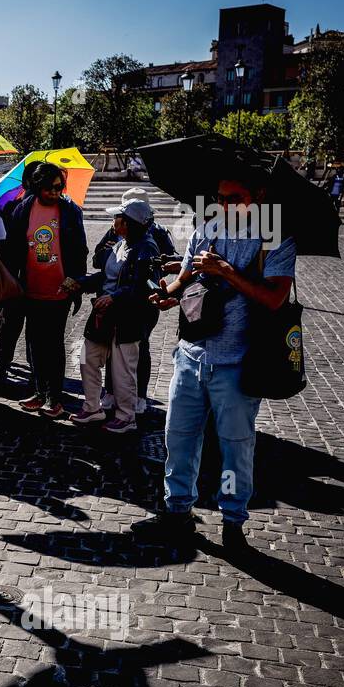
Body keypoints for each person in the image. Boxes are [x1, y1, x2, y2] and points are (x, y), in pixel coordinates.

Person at [132, 167, 297, 551]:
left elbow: (275, 298)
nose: (223, 205)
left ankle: (233, 522)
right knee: (179, 437)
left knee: (236, 444)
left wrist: (226, 270)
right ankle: (177, 512)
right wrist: (168, 293)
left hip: (238, 361)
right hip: (191, 353)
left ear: (257, 196)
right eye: (220, 198)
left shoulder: (273, 237)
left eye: (233, 198)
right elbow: (186, 275)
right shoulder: (208, 227)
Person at [65, 197, 160, 433]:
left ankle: (126, 416)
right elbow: (105, 277)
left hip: (127, 319)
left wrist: (115, 298)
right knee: (88, 359)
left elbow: (144, 284)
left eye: (117, 217)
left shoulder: (147, 249)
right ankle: (92, 407)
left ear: (127, 223)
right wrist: (81, 282)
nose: (113, 221)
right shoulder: (119, 244)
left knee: (122, 370)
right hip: (103, 315)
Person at [0, 161, 87, 419]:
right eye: (50, 188)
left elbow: (80, 248)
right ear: (37, 187)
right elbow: (13, 250)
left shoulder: (70, 210)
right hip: (30, 289)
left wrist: (76, 279)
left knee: (54, 344)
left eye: (59, 187)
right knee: (35, 343)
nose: (55, 192)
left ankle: (55, 398)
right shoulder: (22, 209)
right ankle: (39, 392)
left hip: (60, 289)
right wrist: (13, 283)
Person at [96, 187, 176, 415]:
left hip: (142, 301)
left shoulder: (155, 235)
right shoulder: (117, 231)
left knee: (140, 346)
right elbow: (98, 258)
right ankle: (111, 391)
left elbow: (167, 262)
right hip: (118, 299)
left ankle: (137, 396)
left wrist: (145, 270)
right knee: (115, 345)